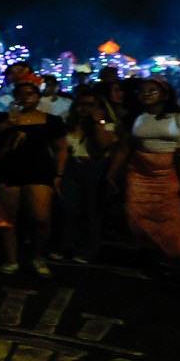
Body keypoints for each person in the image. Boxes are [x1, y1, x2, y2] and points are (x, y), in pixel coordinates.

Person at [110, 77, 180, 269]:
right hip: (139, 173)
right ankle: (152, 251)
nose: (146, 94)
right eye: (142, 91)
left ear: (166, 95)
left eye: (152, 90)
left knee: (170, 217)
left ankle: (173, 257)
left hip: (171, 174)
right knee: (135, 213)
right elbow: (125, 147)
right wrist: (112, 173)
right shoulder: (136, 118)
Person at [0, 79, 66, 276]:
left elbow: (61, 148)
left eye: (30, 94)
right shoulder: (4, 118)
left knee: (41, 218)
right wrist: (6, 125)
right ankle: (11, 259)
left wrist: (59, 174)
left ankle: (37, 256)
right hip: (9, 169)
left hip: (39, 170)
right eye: (20, 94)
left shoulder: (51, 121)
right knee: (8, 218)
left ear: (38, 97)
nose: (25, 98)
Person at [56, 88, 117, 262]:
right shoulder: (68, 122)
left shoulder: (107, 124)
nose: (84, 108)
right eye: (81, 104)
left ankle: (86, 249)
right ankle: (66, 245)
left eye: (90, 105)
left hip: (95, 166)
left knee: (90, 209)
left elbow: (103, 144)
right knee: (69, 208)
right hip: (72, 165)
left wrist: (98, 122)